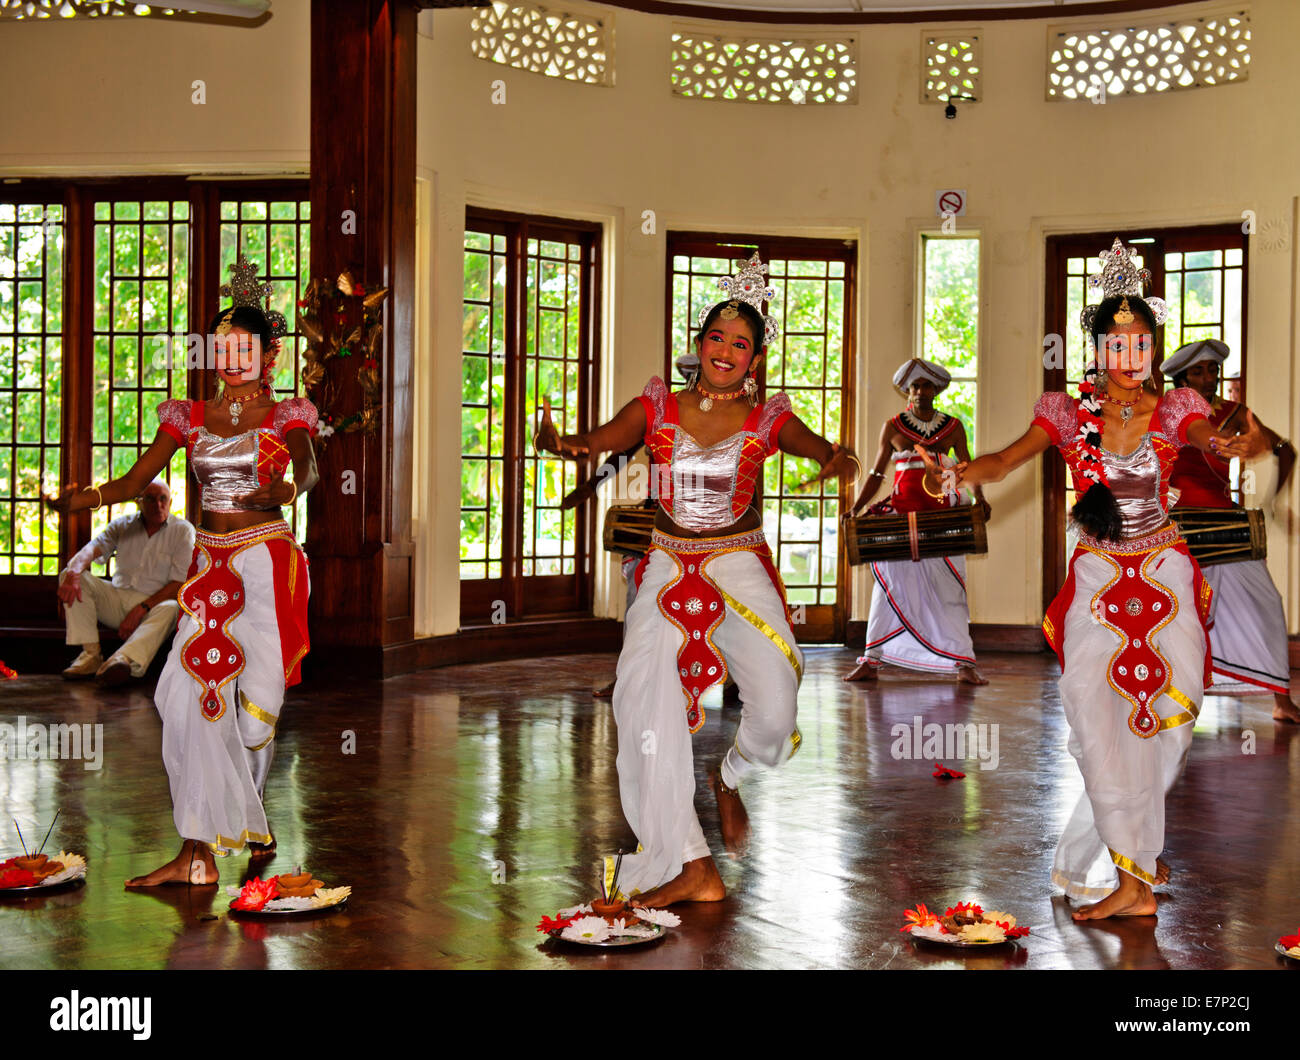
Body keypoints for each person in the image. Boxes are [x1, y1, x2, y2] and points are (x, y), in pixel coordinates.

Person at [919, 239, 1267, 920]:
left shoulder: (1172, 412)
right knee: (1089, 705)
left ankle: (1133, 862)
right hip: (1097, 574)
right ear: (1098, 350)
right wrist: (957, 473)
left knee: (1173, 713)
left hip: (1165, 571)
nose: (1131, 355)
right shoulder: (1065, 413)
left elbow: (1202, 436)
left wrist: (1225, 444)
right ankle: (1130, 870)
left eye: (1143, 342)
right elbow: (1003, 460)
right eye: (1118, 341)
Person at [535, 253, 858, 907]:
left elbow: (829, 450)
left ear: (756, 360)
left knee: (775, 702)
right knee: (641, 702)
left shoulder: (768, 418)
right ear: (700, 344)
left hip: (738, 562)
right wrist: (561, 441)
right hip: (665, 560)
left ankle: (730, 774)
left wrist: (837, 460)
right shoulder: (656, 406)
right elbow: (594, 440)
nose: (726, 351)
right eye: (717, 338)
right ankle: (685, 860)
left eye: (741, 344)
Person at [47, 261, 318, 888]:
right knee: (186, 697)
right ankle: (196, 854)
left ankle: (249, 816)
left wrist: (286, 483)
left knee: (255, 712)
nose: (229, 357)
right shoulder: (188, 415)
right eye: (220, 346)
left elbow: (305, 468)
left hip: (265, 564)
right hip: (209, 569)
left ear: (270, 354)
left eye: (242, 347)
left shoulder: (288, 414)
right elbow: (137, 482)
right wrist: (83, 500)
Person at [1163, 339, 1299, 723]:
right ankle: (1166, 694)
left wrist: (1272, 501)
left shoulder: (1234, 413)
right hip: (1177, 530)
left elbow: (1285, 449)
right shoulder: (1167, 412)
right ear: (1179, 378)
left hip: (1226, 527)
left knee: (1267, 604)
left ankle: (1281, 700)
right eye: (1198, 371)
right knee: (1177, 613)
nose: (1208, 378)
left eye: (1213, 371)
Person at [844, 358, 988, 685]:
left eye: (926, 385)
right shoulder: (893, 426)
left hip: (944, 518)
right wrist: (857, 508)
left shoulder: (952, 426)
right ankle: (871, 659)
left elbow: (967, 468)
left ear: (936, 390)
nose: (921, 391)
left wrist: (980, 499)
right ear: (907, 392)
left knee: (950, 591)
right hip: (900, 517)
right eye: (915, 386)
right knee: (888, 588)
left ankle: (964, 665)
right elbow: (878, 473)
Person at [57, 479, 195, 686]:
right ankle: (90, 655)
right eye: (150, 498)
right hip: (116, 599)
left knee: (173, 608)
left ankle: (121, 661)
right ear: (139, 501)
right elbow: (92, 548)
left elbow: (179, 583)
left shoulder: (182, 530)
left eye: (163, 499)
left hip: (154, 607)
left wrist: (141, 608)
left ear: (170, 501)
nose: (157, 505)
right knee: (69, 573)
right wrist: (75, 571)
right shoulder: (122, 525)